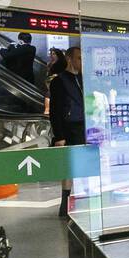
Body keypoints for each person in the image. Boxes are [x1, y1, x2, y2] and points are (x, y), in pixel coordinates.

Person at [49, 46, 85, 217]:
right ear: (70, 59)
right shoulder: (59, 81)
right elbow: (54, 111)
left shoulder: (84, 80)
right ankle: (65, 204)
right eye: (78, 58)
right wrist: (59, 135)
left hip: (84, 127)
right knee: (69, 168)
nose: (81, 62)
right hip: (69, 128)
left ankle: (81, 200)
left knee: (83, 166)